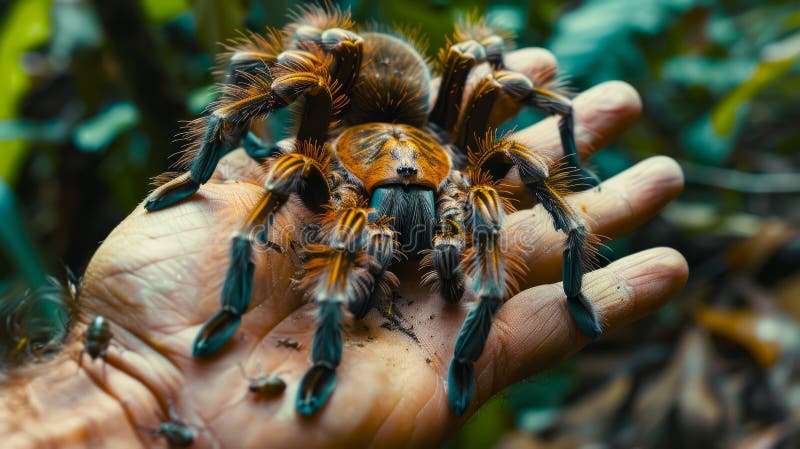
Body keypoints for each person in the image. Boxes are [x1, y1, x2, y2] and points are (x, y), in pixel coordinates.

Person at [0, 48, 687, 448]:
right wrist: (208, 171)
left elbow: (516, 142)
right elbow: (261, 79)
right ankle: (315, 357)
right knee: (304, 75)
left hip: (434, 155)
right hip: (356, 156)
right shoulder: (317, 163)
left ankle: (477, 344)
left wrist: (568, 241)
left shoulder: (469, 167)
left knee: (496, 102)